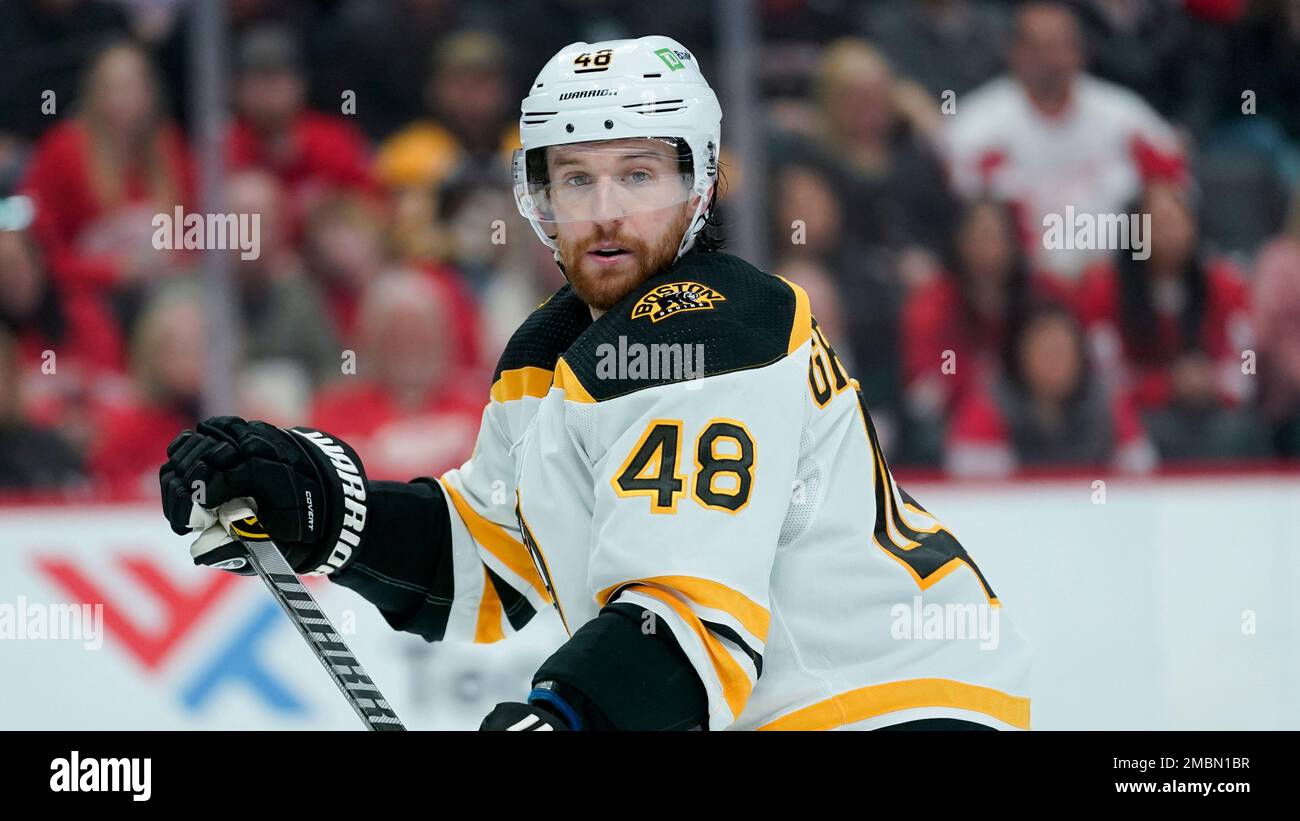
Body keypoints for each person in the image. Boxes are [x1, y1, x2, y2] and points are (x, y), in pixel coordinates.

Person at [159, 36, 1031, 731]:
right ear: (537, 198)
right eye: (576, 178)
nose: (605, 209)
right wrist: (317, 507)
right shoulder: (554, 350)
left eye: (638, 175)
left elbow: (688, 626)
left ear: (698, 187)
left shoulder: (720, 323)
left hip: (898, 702)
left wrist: (559, 718)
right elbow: (485, 564)